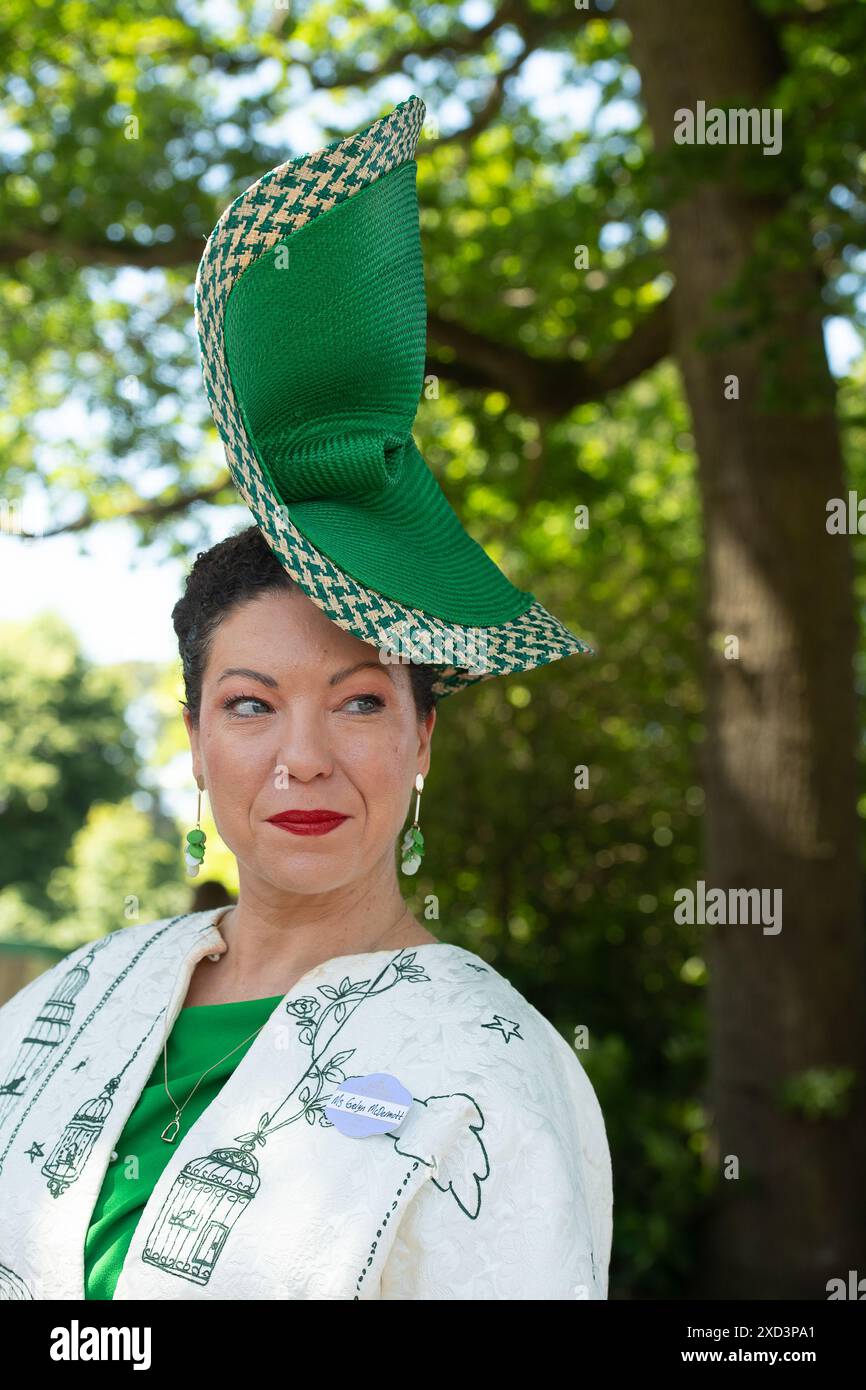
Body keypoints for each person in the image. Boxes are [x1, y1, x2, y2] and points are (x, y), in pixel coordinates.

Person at [0, 95, 611, 1301]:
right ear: (191, 739)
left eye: (360, 703)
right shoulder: (75, 997)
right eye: (247, 703)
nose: (302, 757)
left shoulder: (488, 1072)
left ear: (423, 735)